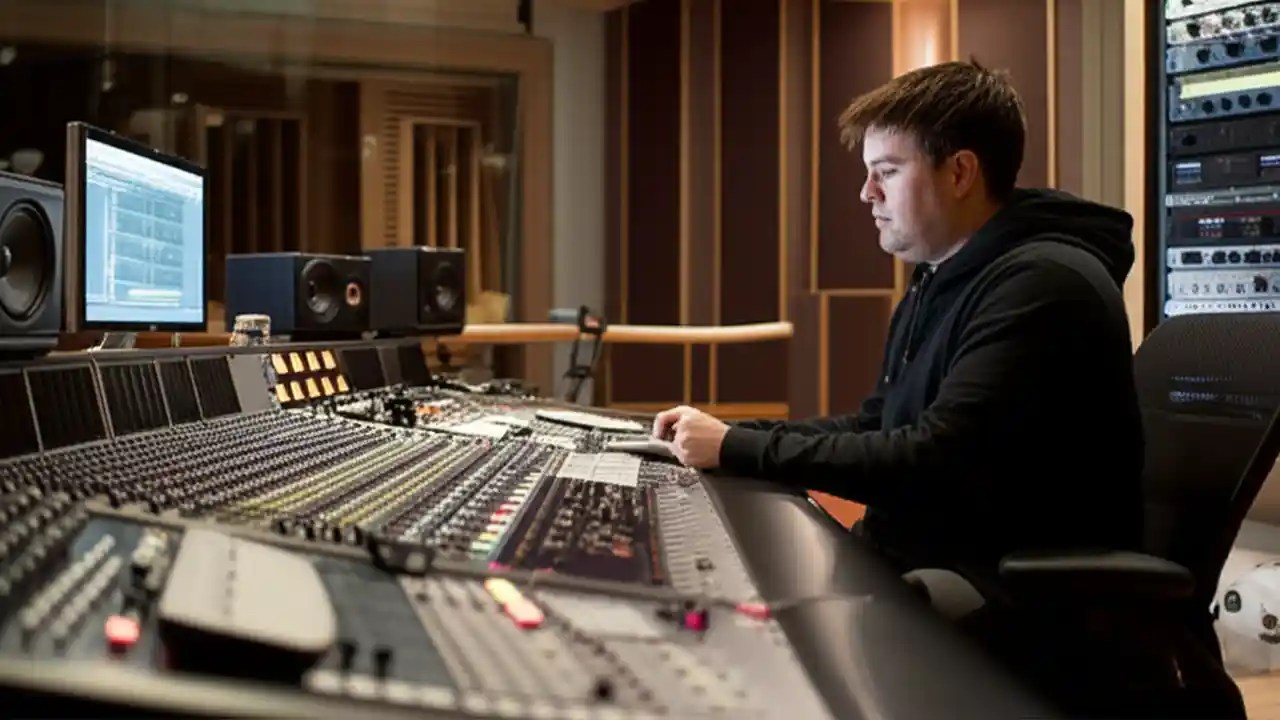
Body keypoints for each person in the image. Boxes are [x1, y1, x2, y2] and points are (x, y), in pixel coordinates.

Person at [653, 60, 1144, 587]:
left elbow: (932, 462)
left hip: (996, 591)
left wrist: (736, 448)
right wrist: (732, 436)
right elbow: (879, 426)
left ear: (959, 173)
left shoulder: (1043, 285)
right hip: (916, 556)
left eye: (886, 172)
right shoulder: (940, 273)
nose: (867, 192)